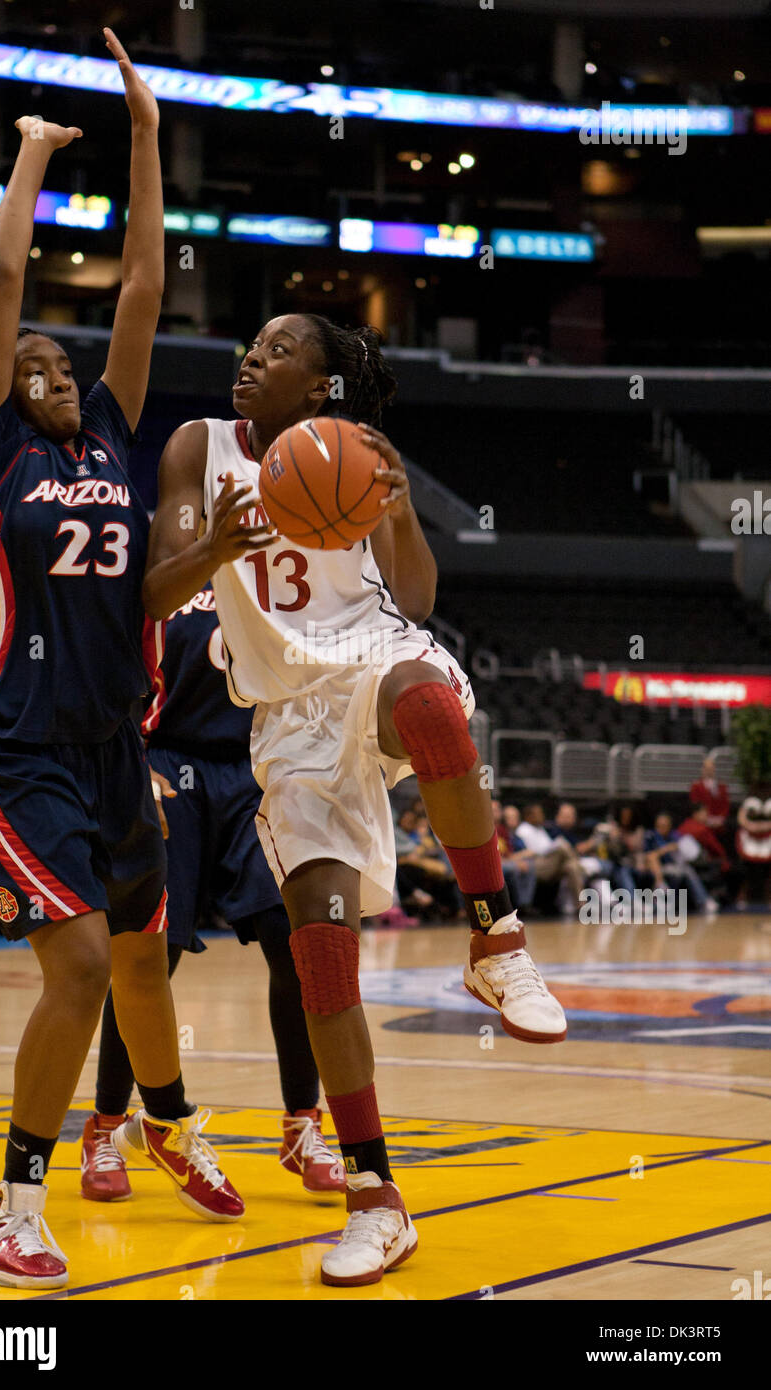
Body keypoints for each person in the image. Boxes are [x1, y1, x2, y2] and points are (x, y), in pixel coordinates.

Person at [141, 310, 566, 1288]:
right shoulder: (195, 449)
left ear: (322, 387)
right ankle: (377, 1197)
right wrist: (213, 546)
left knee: (427, 704)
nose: (254, 355)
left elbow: (412, 602)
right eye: (252, 342)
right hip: (287, 722)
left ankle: (494, 939)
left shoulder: (358, 453)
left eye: (281, 349)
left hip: (375, 662)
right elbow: (157, 597)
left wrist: (402, 506)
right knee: (322, 954)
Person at [0, 32, 241, 1293]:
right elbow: (8, 275)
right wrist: (27, 155)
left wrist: (146, 133)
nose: (53, 370)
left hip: (116, 742)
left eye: (62, 366)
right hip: (14, 743)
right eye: (34, 367)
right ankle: (11, 1203)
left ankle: (168, 1122)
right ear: (6, 394)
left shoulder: (118, 437)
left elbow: (136, 288)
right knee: (75, 964)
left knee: (139, 949)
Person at [82, 582, 343, 1199]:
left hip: (258, 769)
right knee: (152, 952)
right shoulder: (164, 563)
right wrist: (130, 762)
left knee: (295, 943)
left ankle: (303, 1125)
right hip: (170, 765)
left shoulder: (283, 573)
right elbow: (110, 663)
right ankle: (107, 1127)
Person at [517, 804, 585, 912]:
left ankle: (581, 906)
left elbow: (548, 845)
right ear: (528, 816)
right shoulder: (524, 829)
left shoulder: (540, 828)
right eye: (539, 814)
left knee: (571, 866)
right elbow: (534, 852)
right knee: (562, 844)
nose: (542, 816)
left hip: (549, 864)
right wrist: (554, 847)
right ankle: (581, 865)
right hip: (536, 865)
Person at [688, 758, 730, 833]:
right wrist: (705, 819)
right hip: (701, 822)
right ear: (702, 769)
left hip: (718, 823)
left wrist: (720, 819)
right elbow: (695, 805)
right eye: (706, 768)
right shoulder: (696, 786)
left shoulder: (722, 787)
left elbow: (725, 805)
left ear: (714, 769)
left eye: (711, 768)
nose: (709, 771)